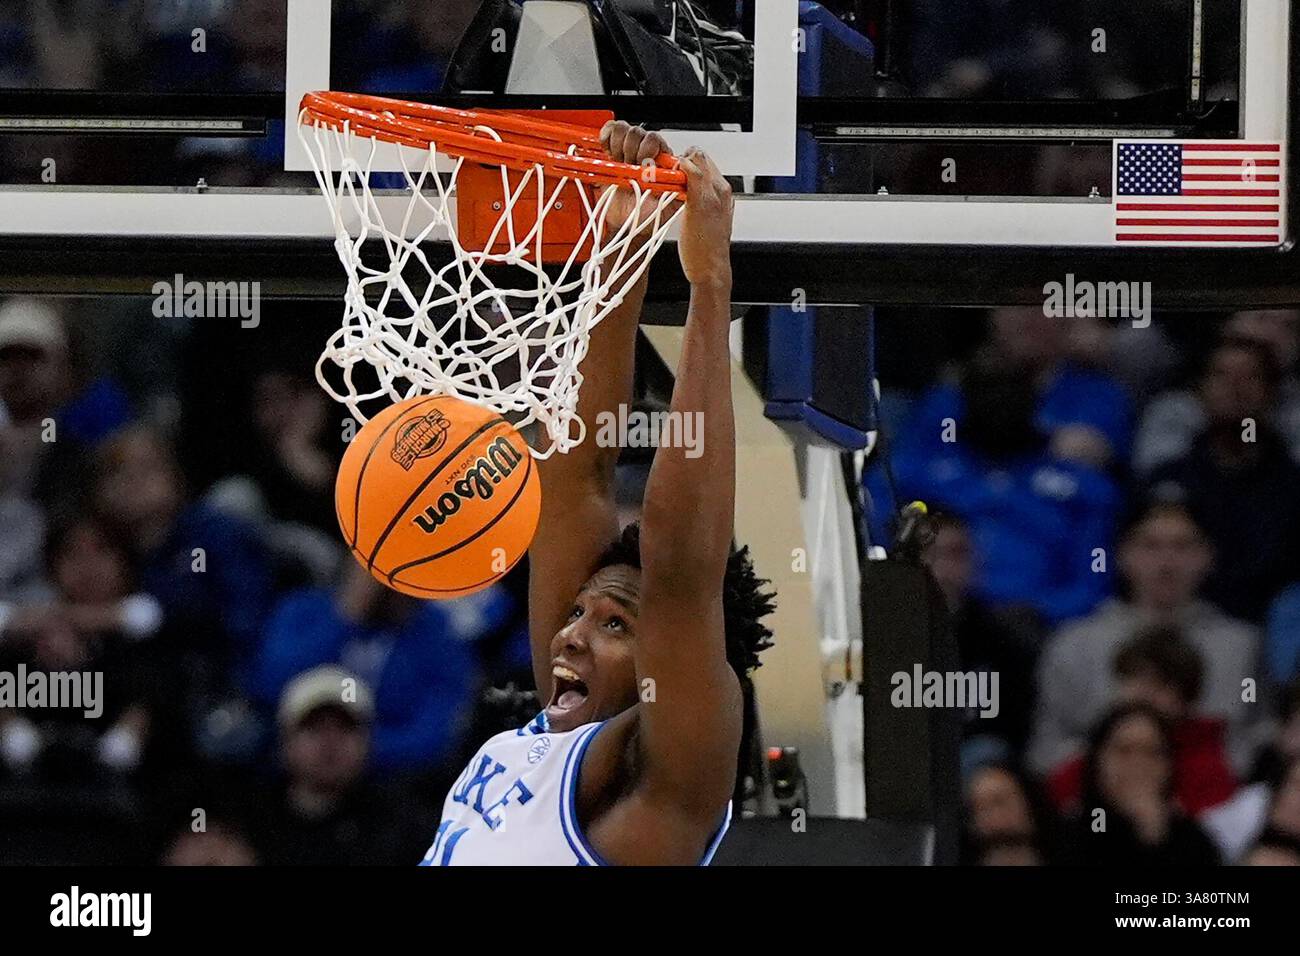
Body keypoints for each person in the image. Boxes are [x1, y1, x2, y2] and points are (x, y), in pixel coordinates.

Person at [420, 125, 775, 866]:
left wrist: (711, 284)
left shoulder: (666, 783)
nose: (570, 633)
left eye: (615, 624)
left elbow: (681, 566)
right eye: (584, 612)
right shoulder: (538, 746)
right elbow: (576, 473)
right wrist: (617, 247)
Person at [1029, 496, 1261, 776]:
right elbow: (1046, 748)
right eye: (1150, 546)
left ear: (1207, 557)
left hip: (1215, 803)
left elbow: (1256, 737)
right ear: (1123, 555)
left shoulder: (1242, 646)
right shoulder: (1073, 643)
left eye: (1182, 546)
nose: (1167, 562)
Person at [1069, 702, 1221, 866]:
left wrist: (1156, 838)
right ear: (1097, 761)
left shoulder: (1193, 842)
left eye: (1152, 752)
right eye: (1124, 750)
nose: (1138, 764)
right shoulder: (1069, 835)